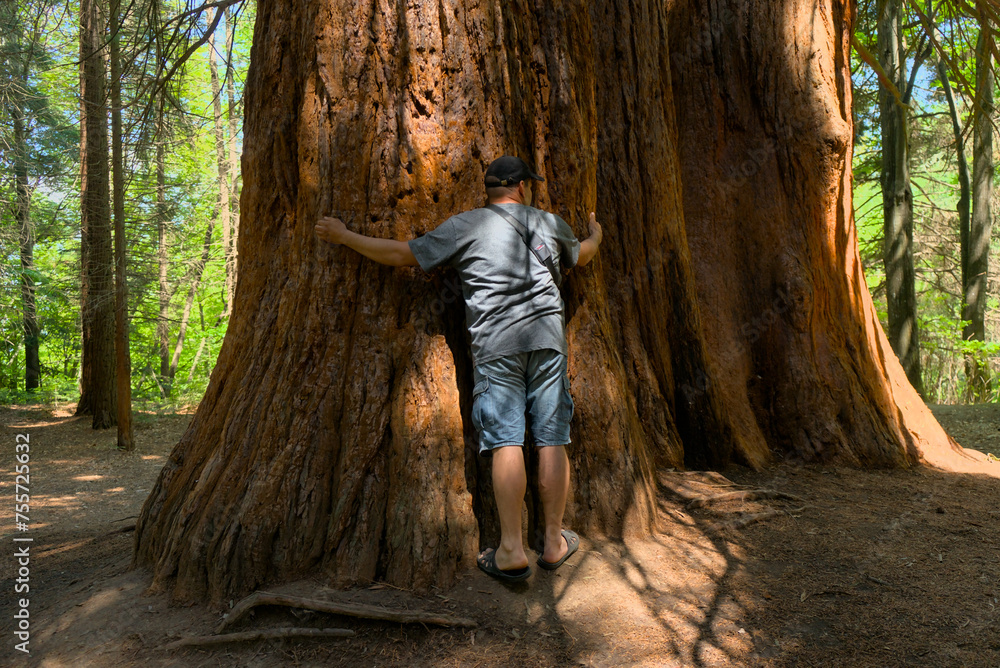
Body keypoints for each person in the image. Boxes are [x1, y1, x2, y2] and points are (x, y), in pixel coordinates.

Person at [315, 155, 603, 582]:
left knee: (506, 441)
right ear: (522, 186)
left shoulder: (463, 226)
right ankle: (554, 541)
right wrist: (595, 233)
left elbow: (400, 254)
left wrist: (344, 236)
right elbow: (583, 256)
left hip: (497, 345)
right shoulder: (548, 222)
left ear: (489, 189)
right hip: (547, 340)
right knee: (552, 439)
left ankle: (510, 550)